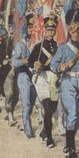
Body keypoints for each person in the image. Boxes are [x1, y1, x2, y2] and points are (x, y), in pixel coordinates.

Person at [50, 8, 79, 158]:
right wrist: (61, 67)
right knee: (71, 114)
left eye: (78, 32)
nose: (75, 34)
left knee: (78, 116)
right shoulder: (63, 48)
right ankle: (71, 149)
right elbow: (53, 64)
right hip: (68, 82)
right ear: (69, 32)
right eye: (73, 32)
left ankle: (68, 141)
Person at [29, 14, 59, 148]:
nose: (50, 33)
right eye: (48, 30)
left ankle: (44, 132)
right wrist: (35, 64)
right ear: (44, 31)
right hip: (41, 78)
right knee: (47, 107)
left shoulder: (57, 47)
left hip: (53, 78)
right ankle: (49, 139)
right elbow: (30, 62)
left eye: (52, 30)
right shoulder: (38, 47)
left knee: (52, 107)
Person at [11, 12, 37, 138]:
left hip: (34, 76)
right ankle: (28, 129)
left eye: (33, 27)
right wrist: (23, 61)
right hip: (23, 75)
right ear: (25, 29)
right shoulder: (20, 44)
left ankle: (27, 121)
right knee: (26, 103)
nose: (31, 30)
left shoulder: (36, 43)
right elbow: (14, 62)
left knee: (32, 102)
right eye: (29, 27)